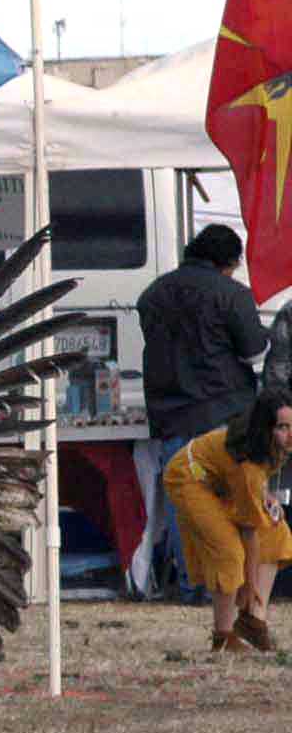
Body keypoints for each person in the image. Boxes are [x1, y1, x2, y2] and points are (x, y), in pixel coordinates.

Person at [136, 227, 269, 597]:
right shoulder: (232, 295)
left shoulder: (154, 294)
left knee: (185, 500)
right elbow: (255, 352)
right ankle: (223, 585)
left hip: (170, 411)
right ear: (230, 261)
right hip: (221, 411)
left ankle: (191, 582)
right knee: (225, 500)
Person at [160, 388, 292, 657]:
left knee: (278, 533)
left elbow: (253, 481)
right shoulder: (248, 466)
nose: (290, 434)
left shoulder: (265, 449)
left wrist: (264, 497)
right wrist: (250, 585)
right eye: (282, 427)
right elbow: (249, 530)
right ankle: (223, 636)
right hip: (188, 477)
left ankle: (253, 621)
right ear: (265, 429)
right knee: (229, 551)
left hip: (220, 482)